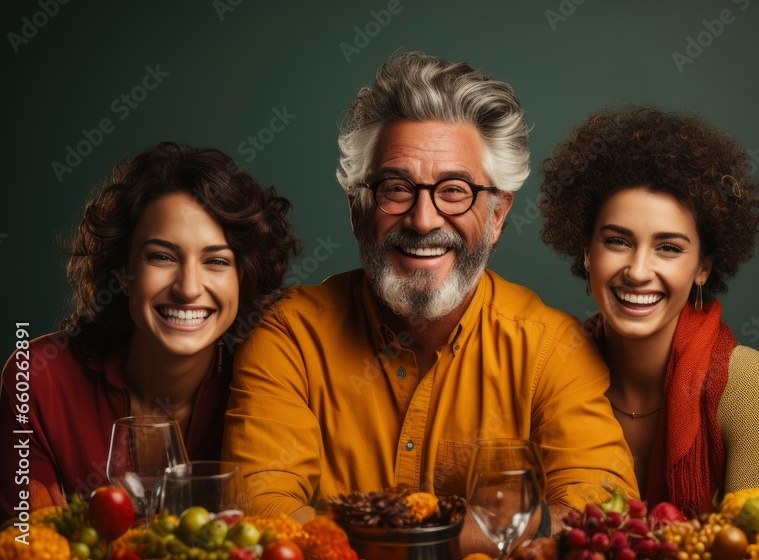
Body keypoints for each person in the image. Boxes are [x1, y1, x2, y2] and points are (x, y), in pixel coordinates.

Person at [222, 51, 639, 532]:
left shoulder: (555, 349)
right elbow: (262, 514)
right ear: (358, 208)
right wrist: (492, 531)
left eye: (455, 190)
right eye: (396, 188)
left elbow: (600, 516)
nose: (423, 220)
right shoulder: (289, 336)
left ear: (498, 215)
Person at [0, 142, 299, 520]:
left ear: (244, 277)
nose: (188, 288)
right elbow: (25, 539)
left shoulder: (272, 387)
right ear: (122, 271)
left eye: (217, 261)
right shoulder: (37, 378)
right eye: (162, 256)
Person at [538, 107, 759, 516]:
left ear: (703, 267)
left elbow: (757, 542)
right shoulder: (548, 370)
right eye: (618, 241)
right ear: (586, 251)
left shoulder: (747, 385)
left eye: (668, 248)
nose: (637, 271)